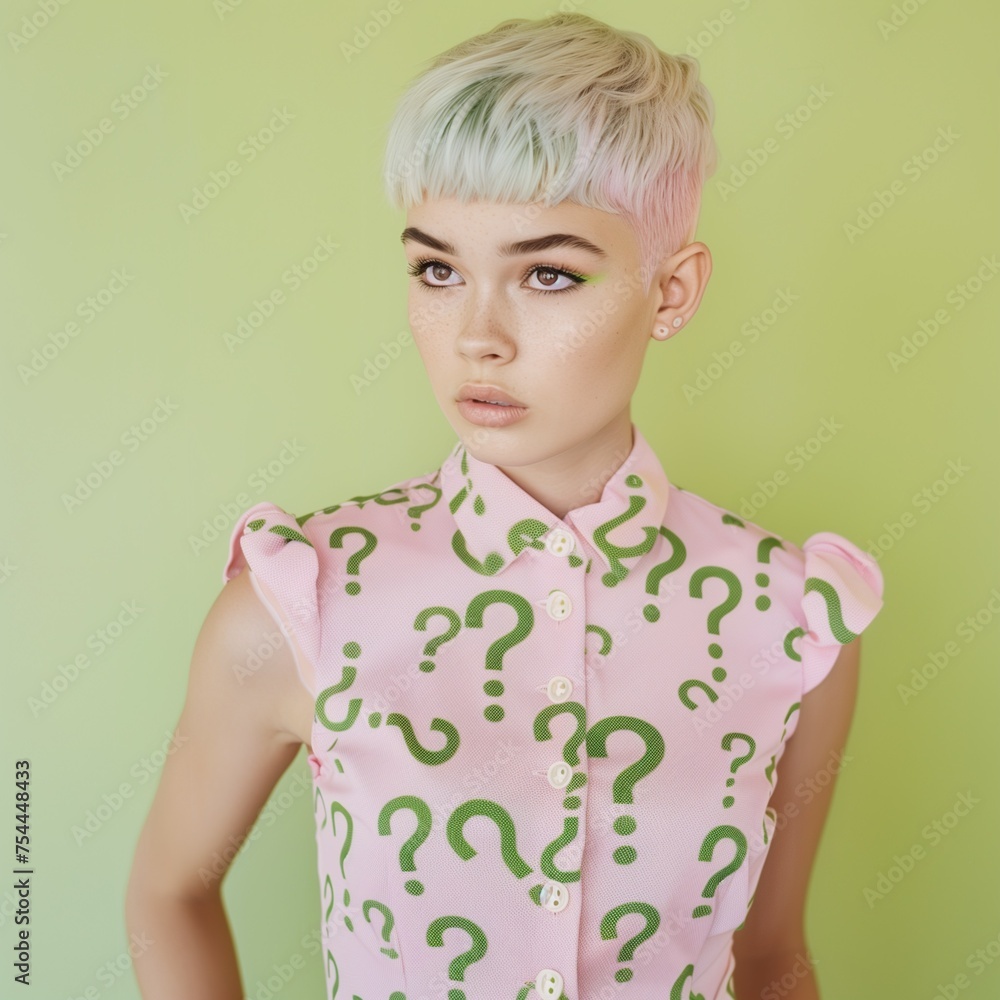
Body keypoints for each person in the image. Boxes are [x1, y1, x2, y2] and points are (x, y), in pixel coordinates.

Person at [125, 13, 885, 999]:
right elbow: (166, 890)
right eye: (438, 268)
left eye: (548, 273)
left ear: (671, 291)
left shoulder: (793, 618)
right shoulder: (301, 606)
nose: (476, 335)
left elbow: (773, 957)